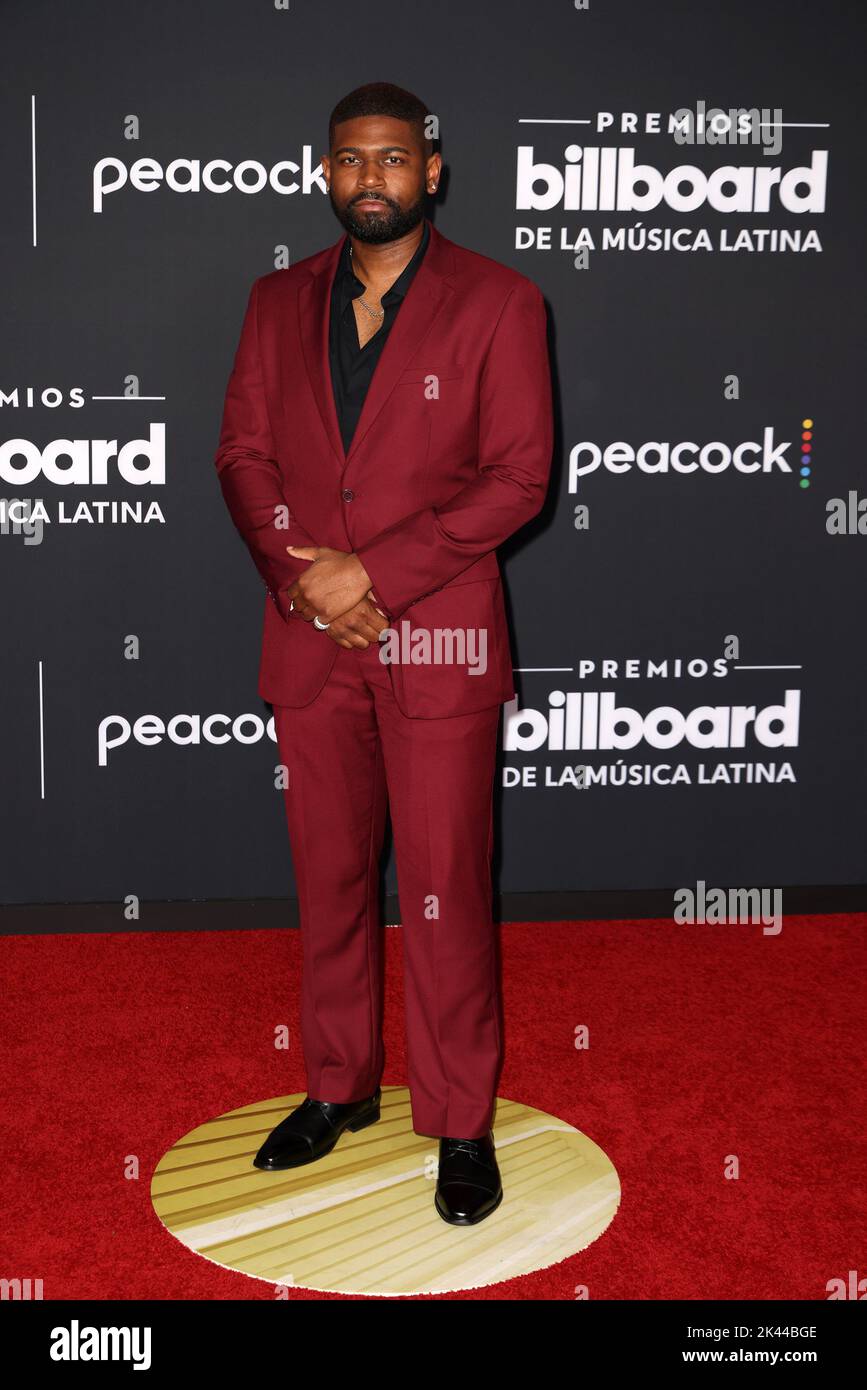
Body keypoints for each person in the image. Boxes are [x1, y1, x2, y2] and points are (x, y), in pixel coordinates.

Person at [214, 81, 553, 1225]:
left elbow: (519, 475)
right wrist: (304, 577)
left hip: (440, 638)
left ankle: (461, 1120)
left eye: (395, 159)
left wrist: (380, 573)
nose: (373, 177)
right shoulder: (273, 301)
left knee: (450, 891)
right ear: (325, 174)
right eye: (352, 159)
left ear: (433, 172)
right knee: (332, 883)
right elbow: (242, 455)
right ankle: (337, 1087)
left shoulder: (503, 302)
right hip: (311, 635)